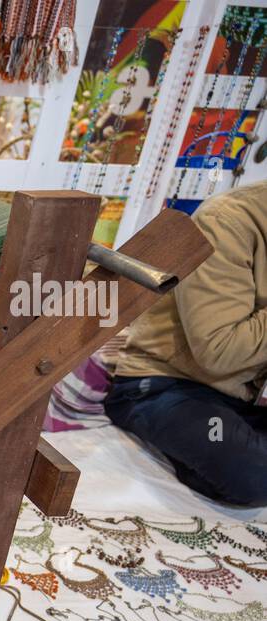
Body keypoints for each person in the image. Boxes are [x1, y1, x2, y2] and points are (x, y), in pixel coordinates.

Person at [105, 180, 267, 507]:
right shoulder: (230, 220)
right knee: (254, 473)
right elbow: (220, 352)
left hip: (244, 399)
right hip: (168, 388)